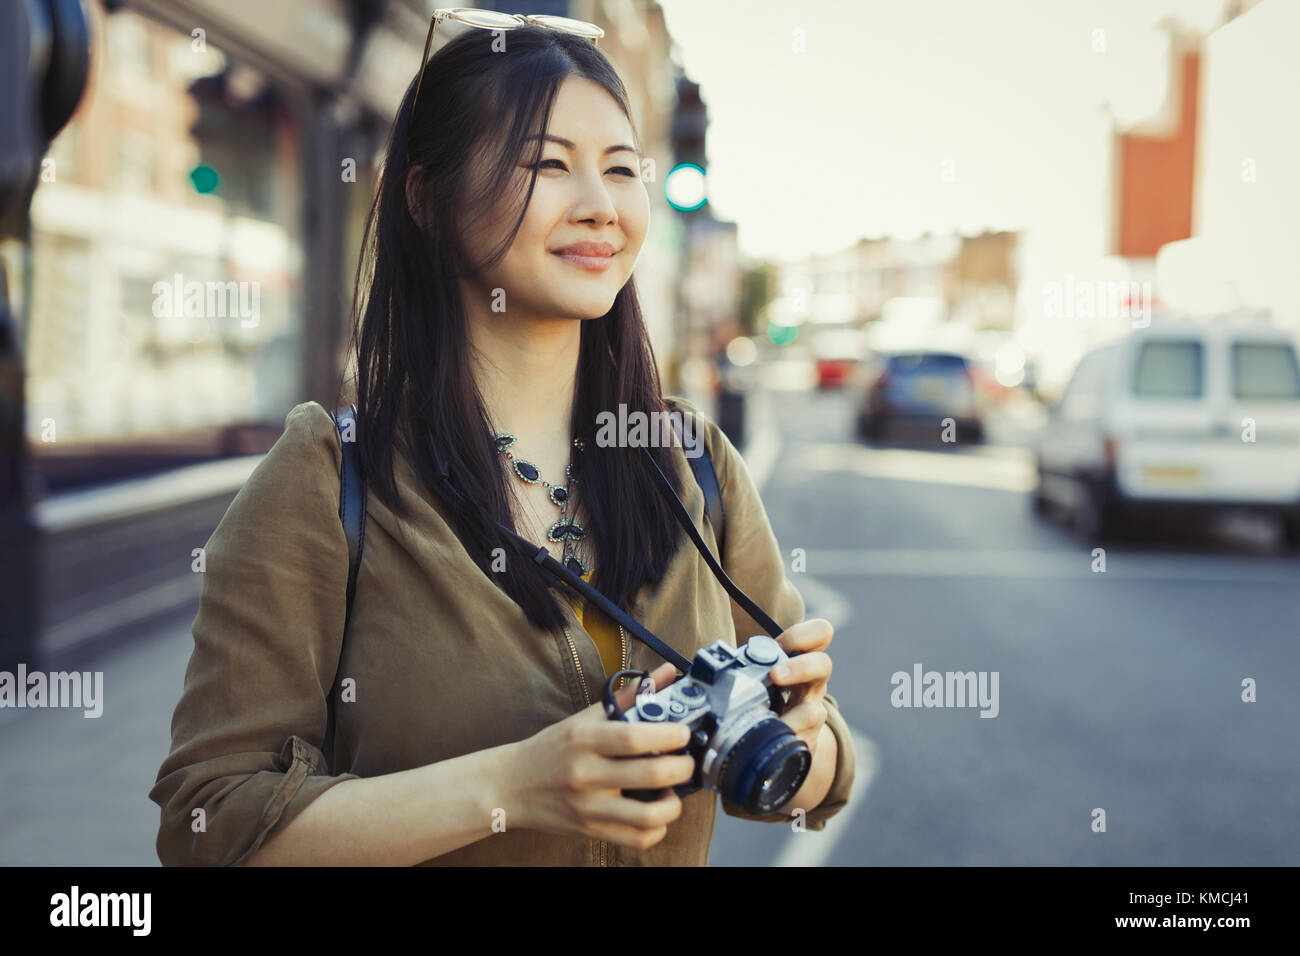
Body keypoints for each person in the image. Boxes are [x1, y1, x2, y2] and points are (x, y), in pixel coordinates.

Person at [149, 21, 854, 867]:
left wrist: (805, 738)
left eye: (623, 168)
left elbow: (821, 769)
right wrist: (512, 787)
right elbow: (210, 823)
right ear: (427, 197)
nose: (600, 203)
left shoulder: (692, 459)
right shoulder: (327, 475)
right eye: (548, 165)